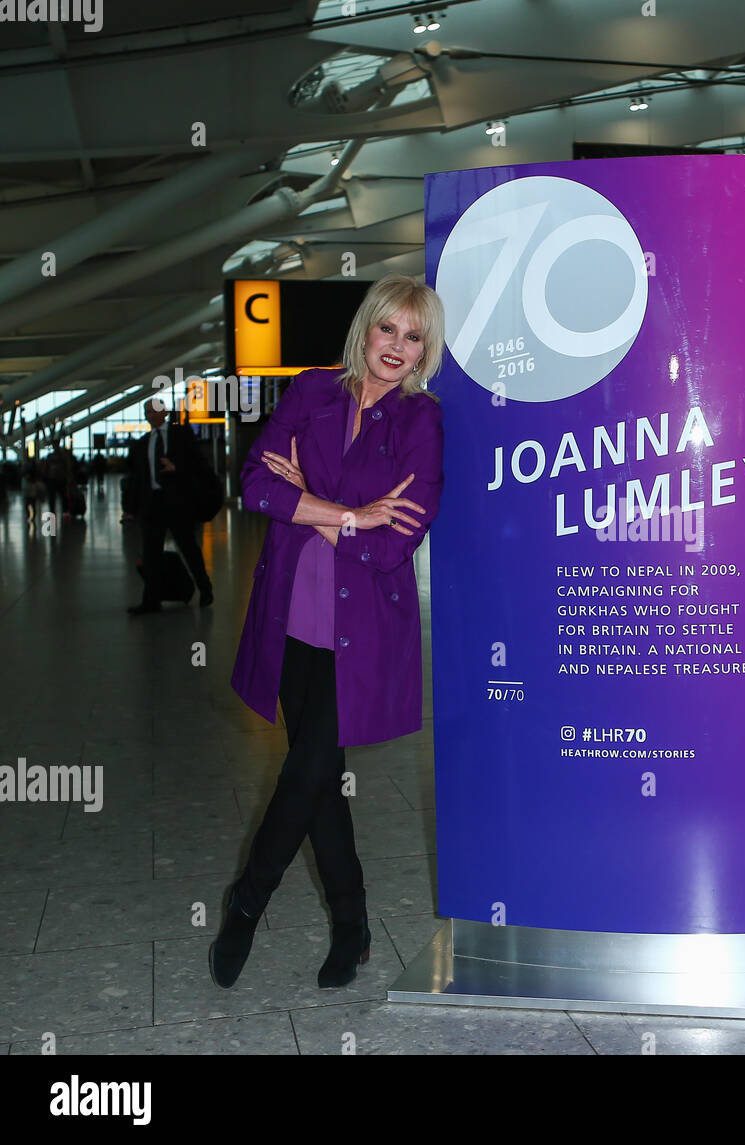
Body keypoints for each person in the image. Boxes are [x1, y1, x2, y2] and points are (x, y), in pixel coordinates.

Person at [212, 274, 446, 992]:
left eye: (413, 336)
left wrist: (305, 502)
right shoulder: (313, 389)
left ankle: (247, 899)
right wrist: (349, 512)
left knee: (312, 766)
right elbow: (255, 485)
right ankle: (353, 926)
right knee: (318, 784)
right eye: (388, 329)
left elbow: (393, 543)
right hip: (290, 616)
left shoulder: (422, 422)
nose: (397, 348)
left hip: (364, 630)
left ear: (425, 348)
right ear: (366, 328)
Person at [124, 399, 215, 612]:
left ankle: (205, 589)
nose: (149, 415)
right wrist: (131, 508)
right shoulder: (142, 444)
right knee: (151, 553)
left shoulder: (181, 437)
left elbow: (199, 465)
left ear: (164, 412)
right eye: (146, 412)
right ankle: (151, 600)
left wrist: (177, 468)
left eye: (153, 411)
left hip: (177, 502)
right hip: (152, 504)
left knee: (188, 548)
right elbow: (136, 479)